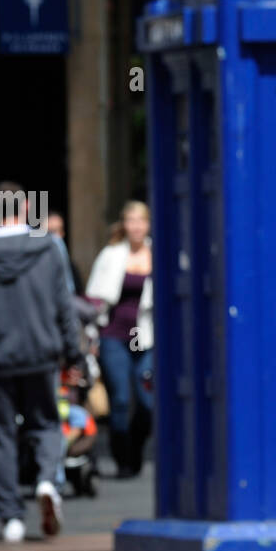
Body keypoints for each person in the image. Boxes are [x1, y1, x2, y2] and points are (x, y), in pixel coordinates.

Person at [0, 182, 81, 542]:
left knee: (1, 434)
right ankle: (44, 481)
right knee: (46, 423)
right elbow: (64, 307)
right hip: (41, 354)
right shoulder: (49, 248)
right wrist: (73, 353)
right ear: (26, 207)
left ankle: (11, 518)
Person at [85, 201, 153, 479]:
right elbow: (94, 300)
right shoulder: (111, 255)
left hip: (146, 337)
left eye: (141, 220)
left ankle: (135, 446)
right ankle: (123, 459)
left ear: (148, 224)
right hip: (113, 335)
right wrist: (91, 337)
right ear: (123, 224)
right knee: (121, 399)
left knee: (148, 402)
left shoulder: (158, 253)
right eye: (130, 220)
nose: (136, 226)